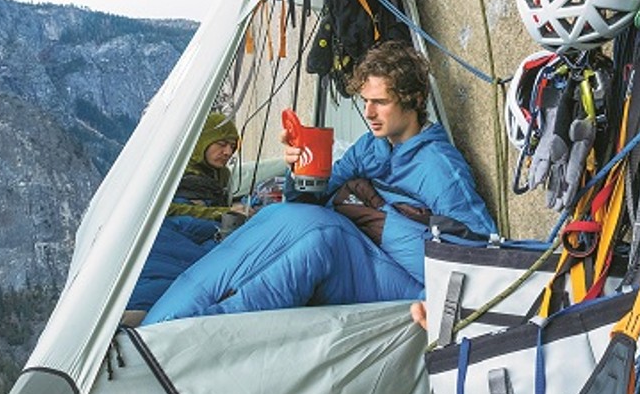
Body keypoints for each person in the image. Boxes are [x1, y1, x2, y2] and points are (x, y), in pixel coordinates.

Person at [142, 41, 497, 323]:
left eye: (380, 102)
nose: (369, 113)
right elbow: (316, 195)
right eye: (365, 102)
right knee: (279, 217)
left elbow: (480, 253)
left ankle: (188, 332)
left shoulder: (438, 168)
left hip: (405, 279)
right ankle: (172, 316)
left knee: (315, 241)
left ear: (414, 100)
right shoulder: (374, 146)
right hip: (357, 243)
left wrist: (378, 218)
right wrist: (300, 171)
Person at [123, 112, 247, 327]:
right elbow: (164, 211)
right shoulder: (171, 171)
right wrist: (221, 214)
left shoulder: (219, 175)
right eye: (221, 144)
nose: (227, 152)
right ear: (202, 141)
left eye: (233, 146)